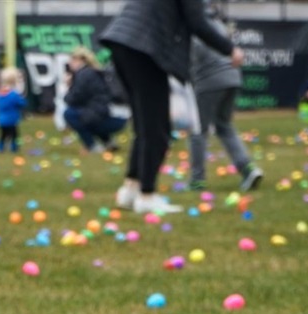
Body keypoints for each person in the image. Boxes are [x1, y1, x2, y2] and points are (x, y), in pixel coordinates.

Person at [100, 0, 244, 215]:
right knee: (157, 130)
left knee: (144, 126)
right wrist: (230, 49)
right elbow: (198, 22)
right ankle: (147, 195)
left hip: (122, 42)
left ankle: (130, 189)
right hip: (144, 48)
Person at [187, 9, 263, 192]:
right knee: (224, 126)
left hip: (210, 80)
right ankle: (248, 169)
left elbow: (193, 55)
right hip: (233, 77)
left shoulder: (195, 24)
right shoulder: (216, 23)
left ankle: (197, 181)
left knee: (197, 130)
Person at [61, 48, 126, 156]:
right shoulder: (93, 72)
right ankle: (108, 142)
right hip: (115, 114)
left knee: (70, 114)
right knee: (87, 114)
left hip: (108, 116)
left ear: (81, 60)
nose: (70, 63)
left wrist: (69, 86)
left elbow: (73, 98)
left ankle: (92, 146)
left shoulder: (84, 75)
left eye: (72, 60)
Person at [0, 67, 27, 153]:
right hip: (12, 120)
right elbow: (22, 103)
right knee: (14, 135)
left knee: (3, 135)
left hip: (1, 119)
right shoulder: (13, 94)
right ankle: (14, 148)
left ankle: (0, 147)